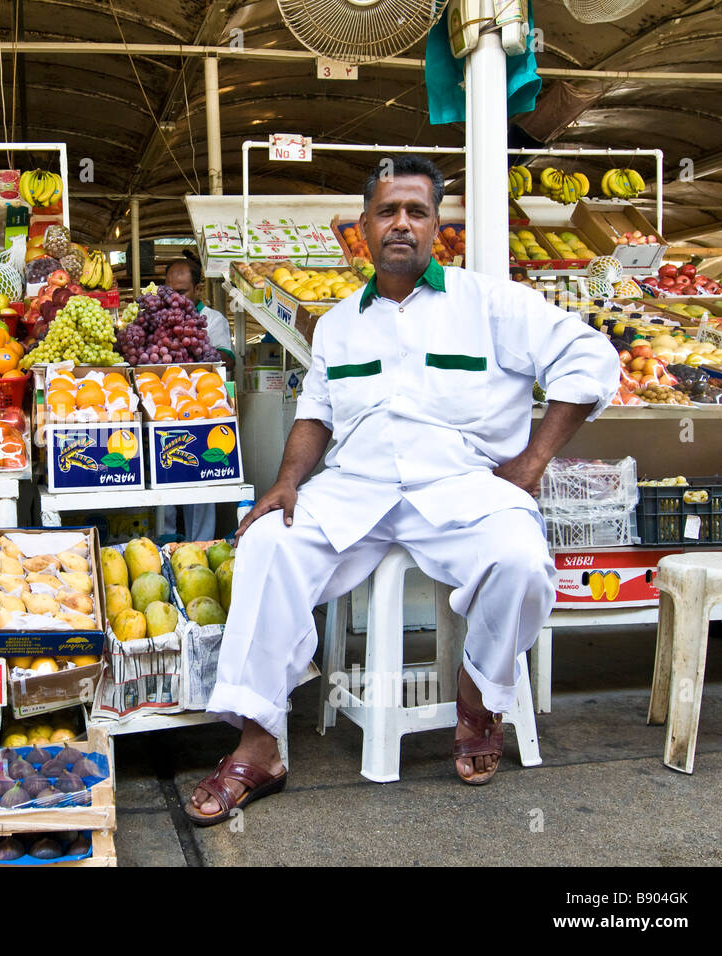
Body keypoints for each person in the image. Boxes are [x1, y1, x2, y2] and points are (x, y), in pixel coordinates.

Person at [186, 155, 620, 825]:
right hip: (356, 490)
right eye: (386, 211)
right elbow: (316, 413)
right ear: (362, 227)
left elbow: (591, 361)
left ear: (436, 225)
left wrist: (532, 463)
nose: (401, 224)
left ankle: (480, 690)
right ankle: (260, 739)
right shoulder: (336, 324)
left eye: (416, 211)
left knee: (522, 559)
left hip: (462, 489)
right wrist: (287, 482)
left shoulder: (492, 303)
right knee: (267, 542)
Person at [159, 254, 233, 542]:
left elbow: (226, 359)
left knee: (201, 481)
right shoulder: (159, 320)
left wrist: (196, 353)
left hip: (203, 409)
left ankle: (200, 545)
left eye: (182, 292)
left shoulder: (213, 321)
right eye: (169, 291)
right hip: (164, 408)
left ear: (198, 289)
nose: (174, 298)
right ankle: (162, 544)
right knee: (163, 481)